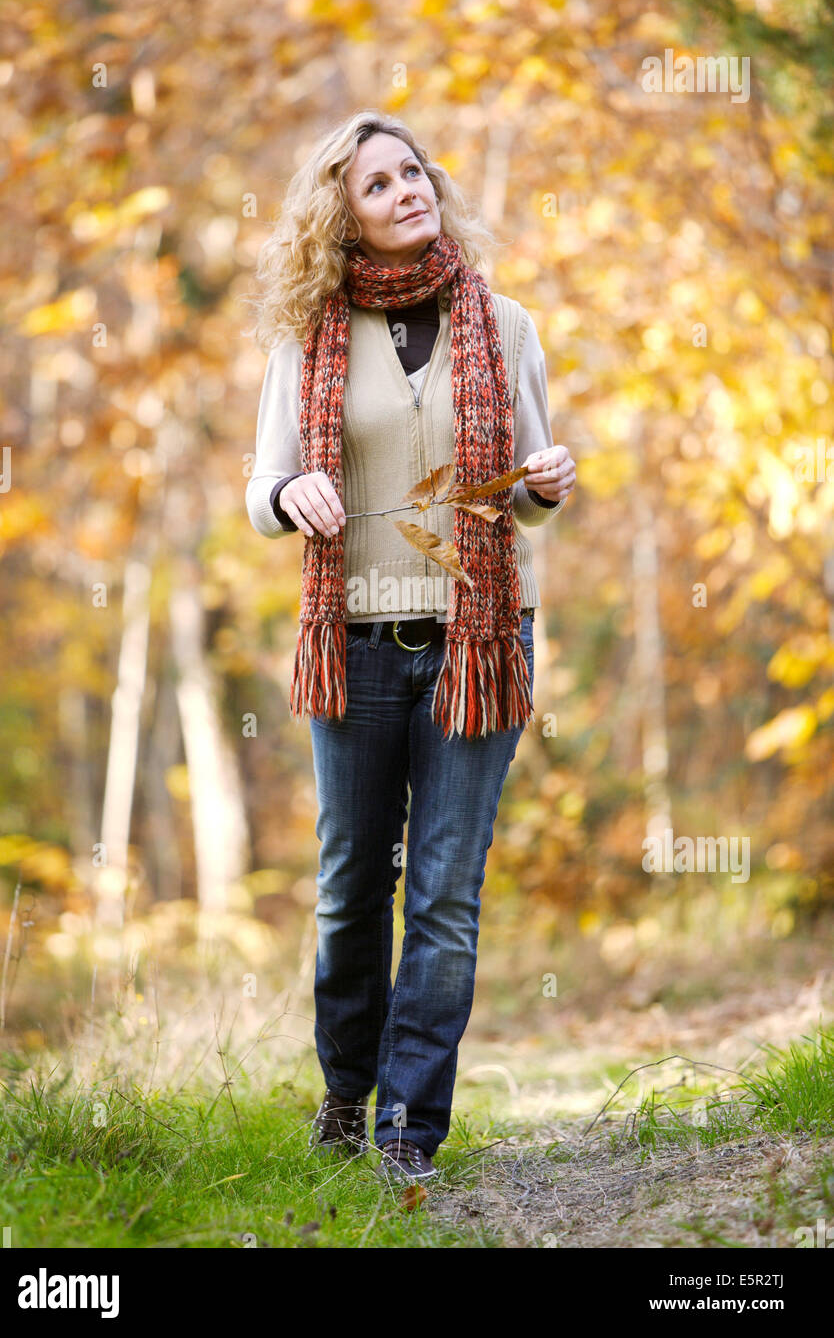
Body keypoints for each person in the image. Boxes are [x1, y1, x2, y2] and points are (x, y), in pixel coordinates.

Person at [245, 109, 576, 1183]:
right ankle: (346, 1093)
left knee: (440, 889)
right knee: (350, 887)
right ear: (339, 218)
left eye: (411, 172)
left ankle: (406, 1131)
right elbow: (262, 486)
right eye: (376, 184)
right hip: (353, 643)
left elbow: (530, 491)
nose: (404, 190)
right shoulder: (307, 333)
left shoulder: (506, 324)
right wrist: (287, 493)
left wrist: (544, 484)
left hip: (479, 637)